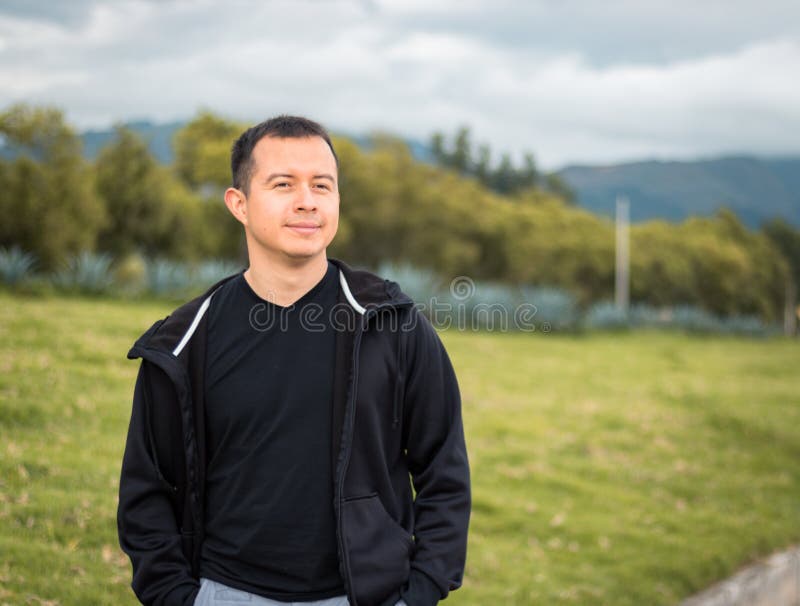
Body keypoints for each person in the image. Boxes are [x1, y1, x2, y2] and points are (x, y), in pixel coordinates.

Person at [117, 116, 471, 606]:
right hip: (223, 594)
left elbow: (444, 471)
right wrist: (178, 597)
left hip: (364, 596)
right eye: (283, 184)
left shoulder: (394, 326)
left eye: (322, 185)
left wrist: (421, 591)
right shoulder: (184, 342)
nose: (307, 200)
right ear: (238, 203)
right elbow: (146, 490)